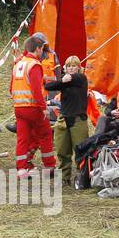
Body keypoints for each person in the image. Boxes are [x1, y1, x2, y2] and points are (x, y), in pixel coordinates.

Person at [11, 36, 56, 176]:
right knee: (45, 135)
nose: (43, 51)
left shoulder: (19, 63)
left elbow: (11, 87)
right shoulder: (34, 65)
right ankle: (49, 166)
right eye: (42, 48)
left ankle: (22, 168)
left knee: (23, 139)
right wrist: (44, 109)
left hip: (19, 107)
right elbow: (36, 90)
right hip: (33, 107)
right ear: (37, 48)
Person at [46, 56, 89, 184]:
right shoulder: (64, 82)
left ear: (79, 68)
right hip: (63, 119)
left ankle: (82, 177)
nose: (71, 68)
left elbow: (72, 78)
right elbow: (49, 86)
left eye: (73, 66)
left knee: (81, 150)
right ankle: (65, 177)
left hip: (78, 120)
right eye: (68, 66)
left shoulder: (81, 78)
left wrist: (63, 80)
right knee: (62, 150)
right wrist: (62, 81)